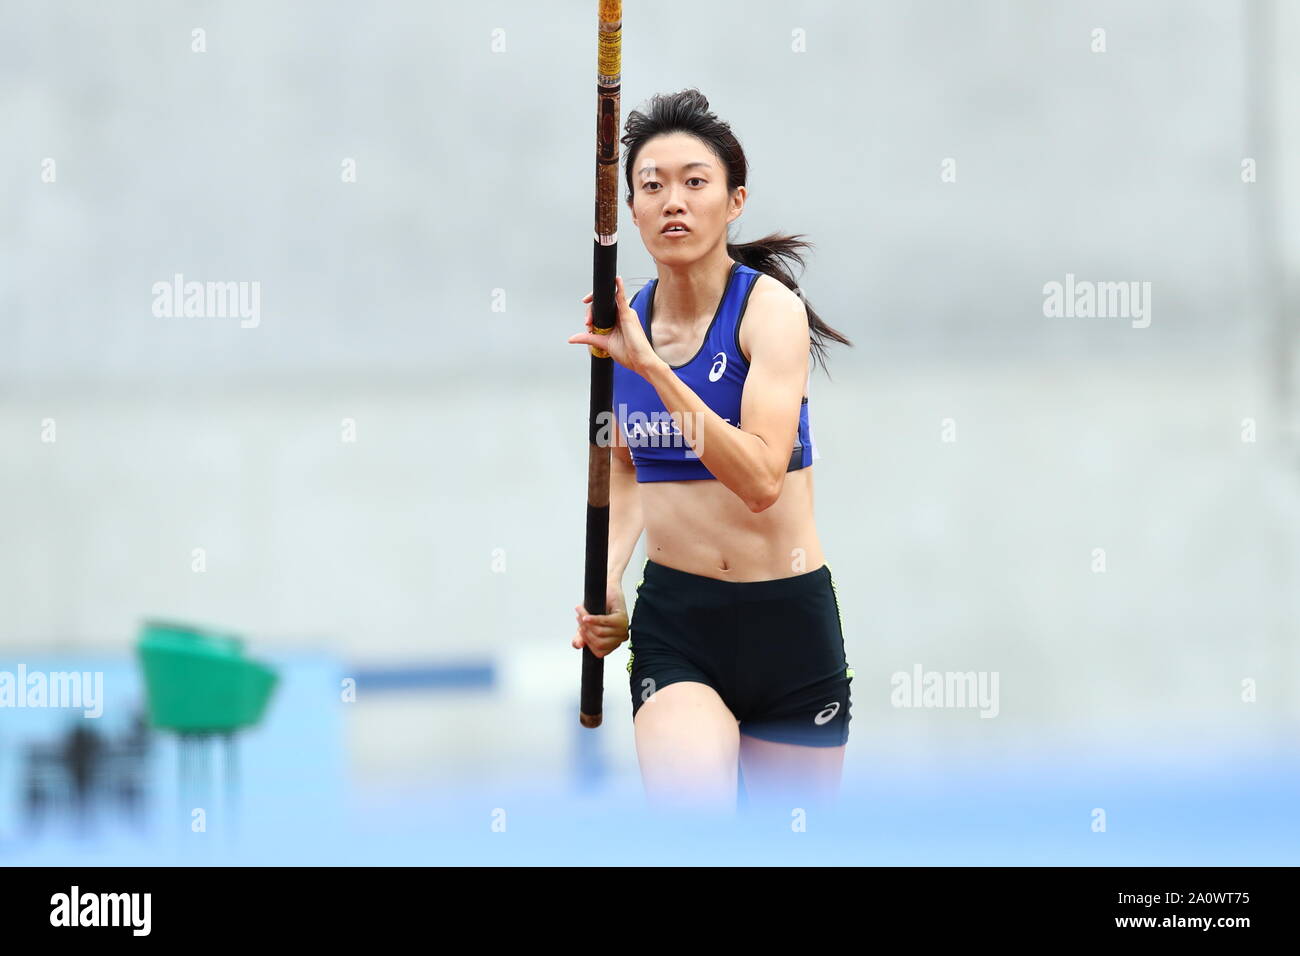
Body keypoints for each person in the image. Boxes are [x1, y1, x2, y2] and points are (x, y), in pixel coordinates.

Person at [566, 89, 854, 814]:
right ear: (629, 209)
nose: (673, 201)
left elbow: (759, 478)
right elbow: (626, 471)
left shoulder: (768, 314)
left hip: (788, 622)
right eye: (652, 185)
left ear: (734, 202)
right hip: (680, 626)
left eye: (695, 182)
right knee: (694, 837)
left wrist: (654, 370)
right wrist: (606, 582)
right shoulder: (620, 328)